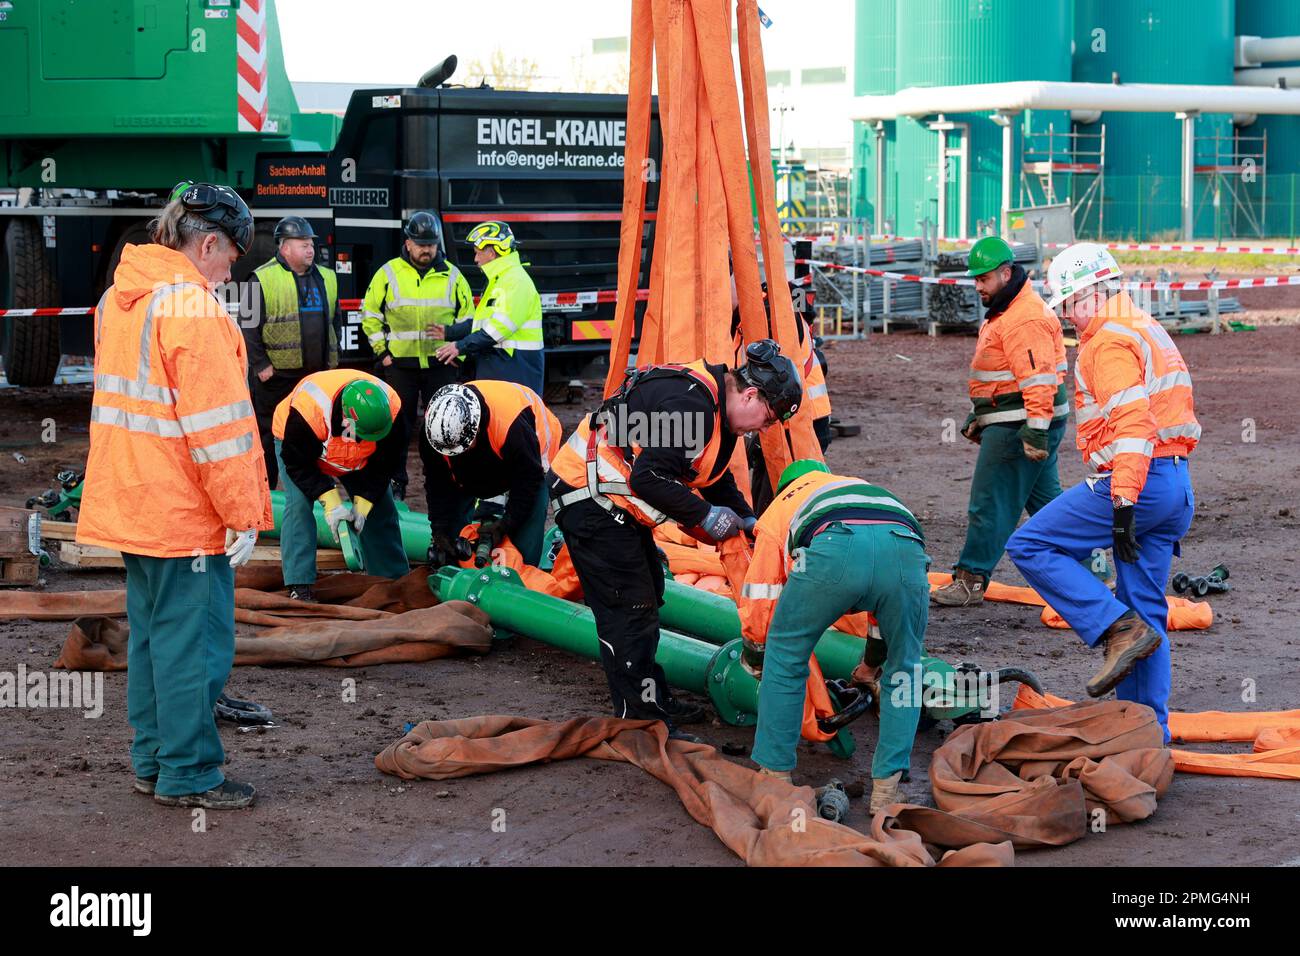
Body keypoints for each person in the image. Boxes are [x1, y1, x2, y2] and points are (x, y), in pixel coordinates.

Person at [77, 182, 271, 810]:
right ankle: (189, 774)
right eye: (231, 257)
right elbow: (219, 430)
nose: (230, 270)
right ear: (209, 242)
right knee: (196, 645)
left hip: (132, 503)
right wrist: (244, 515)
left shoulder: (119, 297)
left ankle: (153, 762)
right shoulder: (192, 308)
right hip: (184, 512)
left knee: (154, 639)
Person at [547, 340, 803, 740]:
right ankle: (640, 722)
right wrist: (704, 517)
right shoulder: (696, 407)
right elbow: (647, 478)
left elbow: (715, 477)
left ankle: (651, 698)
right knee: (628, 606)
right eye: (768, 418)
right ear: (751, 394)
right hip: (588, 499)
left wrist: (750, 520)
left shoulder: (716, 407)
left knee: (647, 591)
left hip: (608, 499)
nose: (765, 428)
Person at [1006, 242, 1199, 741]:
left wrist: (1123, 502)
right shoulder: (1145, 326)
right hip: (1175, 484)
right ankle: (1145, 735)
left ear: (1093, 293)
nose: (1067, 317)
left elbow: (1134, 427)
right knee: (1147, 612)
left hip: (1140, 479)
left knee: (1029, 543)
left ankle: (1114, 627)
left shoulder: (1107, 342)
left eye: (1069, 304)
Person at [737, 459, 929, 813]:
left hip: (832, 549)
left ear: (784, 488)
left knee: (787, 653)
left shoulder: (782, 507)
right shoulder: (859, 487)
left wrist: (755, 656)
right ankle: (887, 791)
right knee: (906, 668)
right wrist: (870, 667)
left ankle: (775, 775)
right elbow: (880, 611)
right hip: (905, 550)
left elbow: (761, 598)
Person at [932, 235, 1071, 607]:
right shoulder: (1012, 310)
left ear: (1006, 273)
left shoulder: (1022, 318)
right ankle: (1093, 568)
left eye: (984, 279)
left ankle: (970, 581)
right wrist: (982, 414)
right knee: (1050, 507)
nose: (978, 286)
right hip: (1023, 420)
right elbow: (1010, 374)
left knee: (990, 503)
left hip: (1020, 427)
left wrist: (1034, 431)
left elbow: (1038, 379)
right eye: (975, 279)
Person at [360, 211, 473, 500]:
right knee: (397, 428)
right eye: (421, 244)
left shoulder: (453, 276)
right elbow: (370, 315)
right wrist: (382, 353)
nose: (426, 250)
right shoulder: (388, 273)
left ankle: (441, 481)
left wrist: (457, 354)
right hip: (401, 366)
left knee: (443, 427)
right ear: (408, 242)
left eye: (431, 244)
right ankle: (396, 482)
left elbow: (469, 319)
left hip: (440, 365)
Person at [271, 370, 411, 600]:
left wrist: (364, 504)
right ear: (347, 419)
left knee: (382, 507)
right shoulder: (307, 411)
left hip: (357, 456)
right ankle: (299, 583)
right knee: (298, 507)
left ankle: (393, 579)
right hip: (303, 449)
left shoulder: (392, 410)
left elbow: (387, 463)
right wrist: (331, 503)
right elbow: (298, 466)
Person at [240, 215, 339, 491]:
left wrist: (332, 362)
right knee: (268, 438)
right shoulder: (259, 278)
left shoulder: (327, 278)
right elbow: (246, 326)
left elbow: (335, 323)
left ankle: (316, 491)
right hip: (276, 378)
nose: (310, 249)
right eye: (303, 244)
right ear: (284, 248)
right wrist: (260, 364)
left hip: (314, 379)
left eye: (310, 244)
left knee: (314, 434)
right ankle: (266, 493)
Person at [420, 380, 561, 569]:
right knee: (453, 515)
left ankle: (523, 573)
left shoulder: (512, 429)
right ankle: (459, 564)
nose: (458, 454)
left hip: (534, 452)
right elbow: (438, 483)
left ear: (477, 428)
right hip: (494, 445)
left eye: (463, 448)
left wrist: (505, 525)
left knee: (529, 515)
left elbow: (528, 483)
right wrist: (439, 529)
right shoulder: (433, 432)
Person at [435, 220, 544, 394]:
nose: (475, 259)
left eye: (478, 253)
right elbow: (483, 323)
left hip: (514, 371)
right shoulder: (500, 279)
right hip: (504, 367)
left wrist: (460, 347)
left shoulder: (515, 280)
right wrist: (450, 333)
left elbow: (496, 330)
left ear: (492, 253)